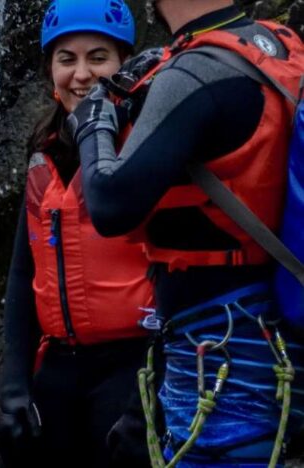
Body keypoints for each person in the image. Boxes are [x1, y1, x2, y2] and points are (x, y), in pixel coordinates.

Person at [69, 0, 304, 465]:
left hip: (223, 349)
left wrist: (92, 123)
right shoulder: (280, 45)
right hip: (280, 323)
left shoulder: (194, 71)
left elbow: (111, 204)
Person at [0, 1, 153, 466]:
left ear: (124, 65)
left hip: (132, 364)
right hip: (59, 367)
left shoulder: (147, 143)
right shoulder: (44, 156)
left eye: (98, 57)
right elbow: (23, 276)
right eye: (67, 59)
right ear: (51, 70)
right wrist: (14, 387)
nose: (81, 74)